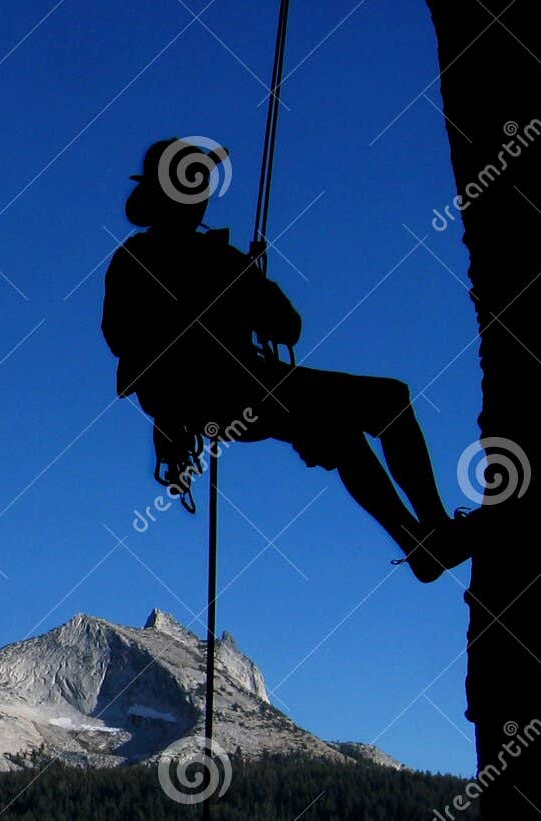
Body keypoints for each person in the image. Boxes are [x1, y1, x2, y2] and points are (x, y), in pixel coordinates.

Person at [102, 138, 474, 582]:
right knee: (387, 399)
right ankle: (434, 529)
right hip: (241, 388)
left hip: (201, 404)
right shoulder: (216, 259)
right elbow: (287, 326)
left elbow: (120, 338)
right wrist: (248, 283)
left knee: (339, 434)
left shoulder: (133, 261)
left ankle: (419, 545)